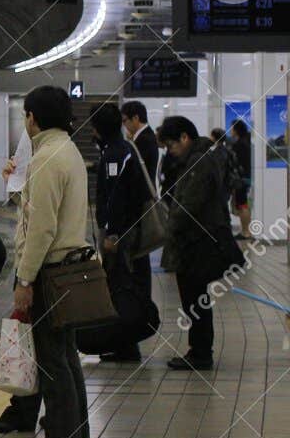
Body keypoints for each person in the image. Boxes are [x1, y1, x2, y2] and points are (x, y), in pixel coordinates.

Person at [0, 86, 91, 438]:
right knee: (64, 356)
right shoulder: (67, 153)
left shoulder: (46, 159)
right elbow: (41, 211)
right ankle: (73, 433)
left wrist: (25, 281)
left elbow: (42, 229)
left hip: (49, 272)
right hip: (67, 269)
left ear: (32, 118)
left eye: (25, 116)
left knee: (52, 360)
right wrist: (19, 188)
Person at [157, 117, 244, 371]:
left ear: (185, 138)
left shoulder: (199, 162)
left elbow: (189, 205)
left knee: (195, 300)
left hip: (199, 242)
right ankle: (199, 350)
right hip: (195, 240)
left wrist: (169, 227)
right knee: (194, 299)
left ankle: (201, 353)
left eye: (172, 145)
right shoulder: (196, 160)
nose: (170, 151)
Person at [87, 103, 156, 363]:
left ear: (97, 128)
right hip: (128, 230)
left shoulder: (116, 153)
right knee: (123, 285)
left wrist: (112, 234)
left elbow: (115, 197)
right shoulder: (121, 149)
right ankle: (125, 344)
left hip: (122, 235)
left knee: (122, 286)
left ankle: (126, 347)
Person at [120, 101, 160, 185]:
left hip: (142, 195)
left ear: (135, 118)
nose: (124, 125)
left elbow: (133, 170)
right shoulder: (145, 136)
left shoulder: (144, 140)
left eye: (124, 120)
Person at [228, 120, 253, 236]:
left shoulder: (239, 145)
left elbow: (237, 163)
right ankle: (245, 230)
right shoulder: (245, 141)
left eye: (232, 128)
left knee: (242, 206)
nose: (230, 131)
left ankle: (246, 232)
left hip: (241, 180)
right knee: (243, 205)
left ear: (236, 129)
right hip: (245, 178)